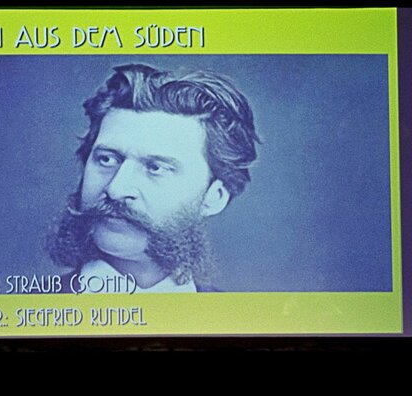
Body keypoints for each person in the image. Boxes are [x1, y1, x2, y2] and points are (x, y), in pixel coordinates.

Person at [47, 64, 261, 293]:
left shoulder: (240, 314)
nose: (116, 189)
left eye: (156, 168)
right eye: (107, 159)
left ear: (214, 198)